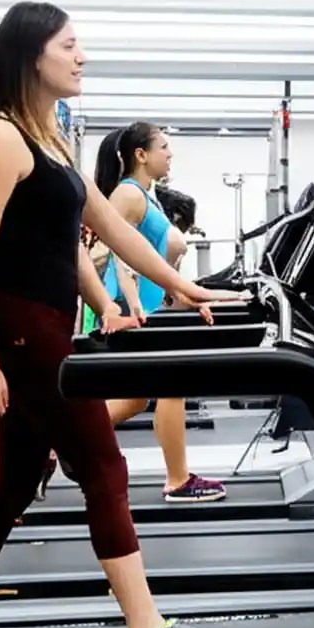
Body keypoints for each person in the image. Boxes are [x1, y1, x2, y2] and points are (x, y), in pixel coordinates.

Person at [0, 1, 236, 628]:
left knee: (11, 486)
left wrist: (177, 290)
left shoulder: (51, 140)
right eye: (69, 45)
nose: (81, 56)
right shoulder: (0, 137)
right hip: (22, 329)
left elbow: (103, 234)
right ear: (33, 55)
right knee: (104, 467)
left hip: (48, 323)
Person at [93, 122, 227, 503]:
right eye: (164, 147)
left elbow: (155, 263)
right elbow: (118, 251)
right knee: (173, 382)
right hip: (128, 309)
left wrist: (186, 298)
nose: (170, 154)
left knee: (137, 398)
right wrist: (132, 303)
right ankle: (177, 479)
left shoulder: (147, 196)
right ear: (141, 155)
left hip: (150, 308)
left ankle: (55, 443)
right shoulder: (127, 194)